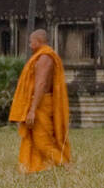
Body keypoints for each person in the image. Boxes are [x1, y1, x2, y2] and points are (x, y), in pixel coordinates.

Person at [8, 28, 71, 173]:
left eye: (31, 42)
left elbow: (41, 84)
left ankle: (67, 167)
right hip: (38, 102)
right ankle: (35, 169)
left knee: (42, 142)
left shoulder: (45, 58)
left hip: (41, 103)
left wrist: (32, 110)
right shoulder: (41, 57)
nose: (30, 46)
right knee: (35, 139)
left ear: (38, 41)